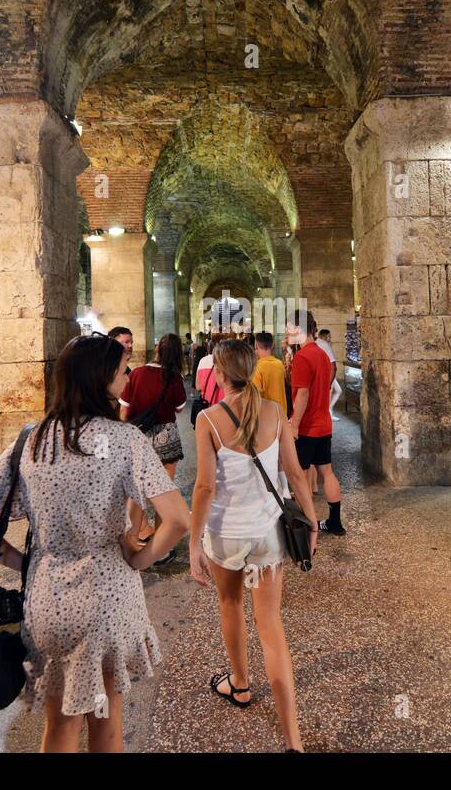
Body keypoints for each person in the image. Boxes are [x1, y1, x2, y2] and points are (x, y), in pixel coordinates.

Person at [0, 333, 190, 752]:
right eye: (120, 370)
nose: (126, 376)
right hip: (108, 596)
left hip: (47, 597)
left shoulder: (32, 439)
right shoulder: (125, 440)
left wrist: (21, 561)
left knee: (59, 725)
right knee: (106, 720)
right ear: (101, 379)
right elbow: (178, 520)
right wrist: (141, 559)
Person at [189, 339, 318, 751]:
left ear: (220, 375)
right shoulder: (275, 413)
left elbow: (205, 486)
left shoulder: (208, 420)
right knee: (272, 627)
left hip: (227, 533)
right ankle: (293, 741)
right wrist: (313, 522)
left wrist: (193, 542)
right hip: (266, 532)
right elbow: (296, 475)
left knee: (230, 606)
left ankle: (240, 684)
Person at [120, 333, 189, 564]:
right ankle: (162, 548)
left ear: (157, 348)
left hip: (139, 436)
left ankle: (133, 540)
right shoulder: (174, 377)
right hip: (166, 436)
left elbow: (124, 407)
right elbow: (180, 407)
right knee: (164, 492)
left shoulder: (137, 373)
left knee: (137, 491)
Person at [288, 311, 345, 535]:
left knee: (300, 476)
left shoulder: (303, 357)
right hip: (323, 424)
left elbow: (302, 395)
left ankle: (307, 523)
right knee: (327, 473)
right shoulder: (322, 354)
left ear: (299, 329)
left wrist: (294, 425)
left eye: (289, 328)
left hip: (307, 427)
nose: (287, 332)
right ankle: (335, 522)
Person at [251, 331, 287, 413]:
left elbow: (256, 397)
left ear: (256, 345)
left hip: (267, 417)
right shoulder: (279, 364)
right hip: (282, 413)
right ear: (273, 345)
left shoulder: (257, 367)